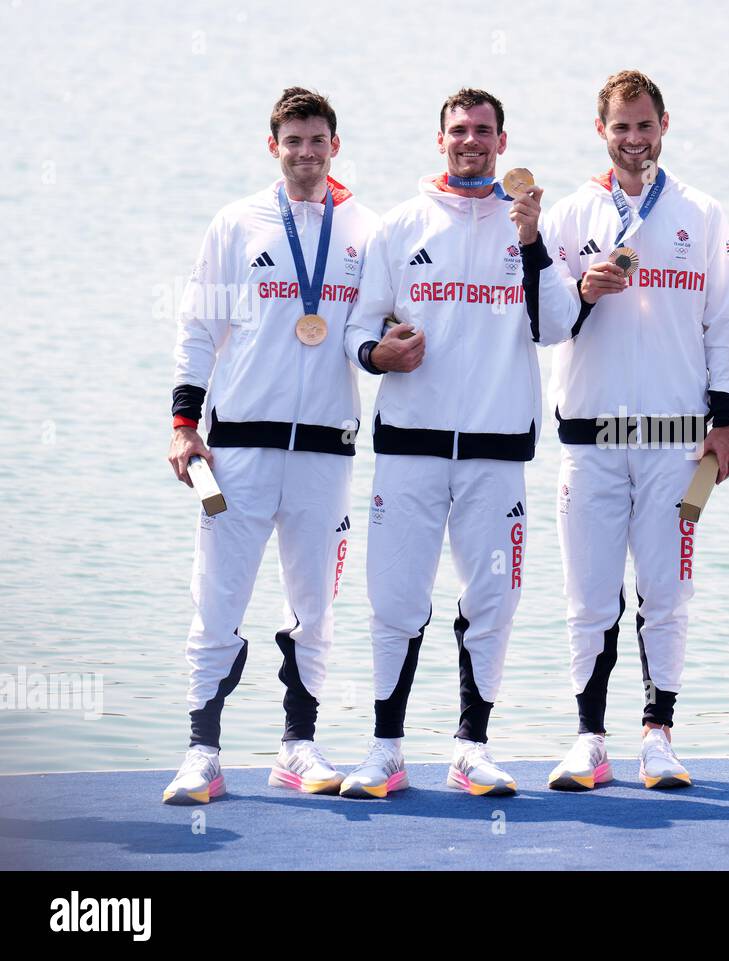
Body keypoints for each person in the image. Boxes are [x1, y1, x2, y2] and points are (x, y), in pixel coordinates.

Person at [338, 88, 577, 799]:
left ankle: (471, 748)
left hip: (496, 449)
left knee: (493, 598)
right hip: (409, 445)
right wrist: (377, 355)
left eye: (483, 131)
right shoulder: (400, 224)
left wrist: (531, 243)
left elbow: (556, 326)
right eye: (458, 130)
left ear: (503, 141)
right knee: (395, 598)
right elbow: (359, 326)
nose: (470, 141)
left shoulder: (530, 224)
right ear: (439, 139)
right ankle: (386, 750)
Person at [163, 87, 378, 804]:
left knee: (314, 607)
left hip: (326, 451)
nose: (306, 153)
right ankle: (202, 753)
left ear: (335, 146)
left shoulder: (365, 229)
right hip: (238, 451)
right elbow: (199, 328)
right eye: (293, 141)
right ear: (273, 146)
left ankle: (298, 746)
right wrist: (184, 424)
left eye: (317, 140)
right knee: (216, 601)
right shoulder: (237, 223)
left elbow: (375, 328)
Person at [542, 70, 729, 790]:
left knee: (667, 594)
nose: (634, 139)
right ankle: (589, 739)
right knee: (590, 596)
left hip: (676, 439)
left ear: (665, 126)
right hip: (590, 438)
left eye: (645, 125)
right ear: (602, 131)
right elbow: (541, 325)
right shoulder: (568, 216)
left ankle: (658, 736)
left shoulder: (702, 212)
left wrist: (728, 419)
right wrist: (581, 292)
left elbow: (725, 324)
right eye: (621, 127)